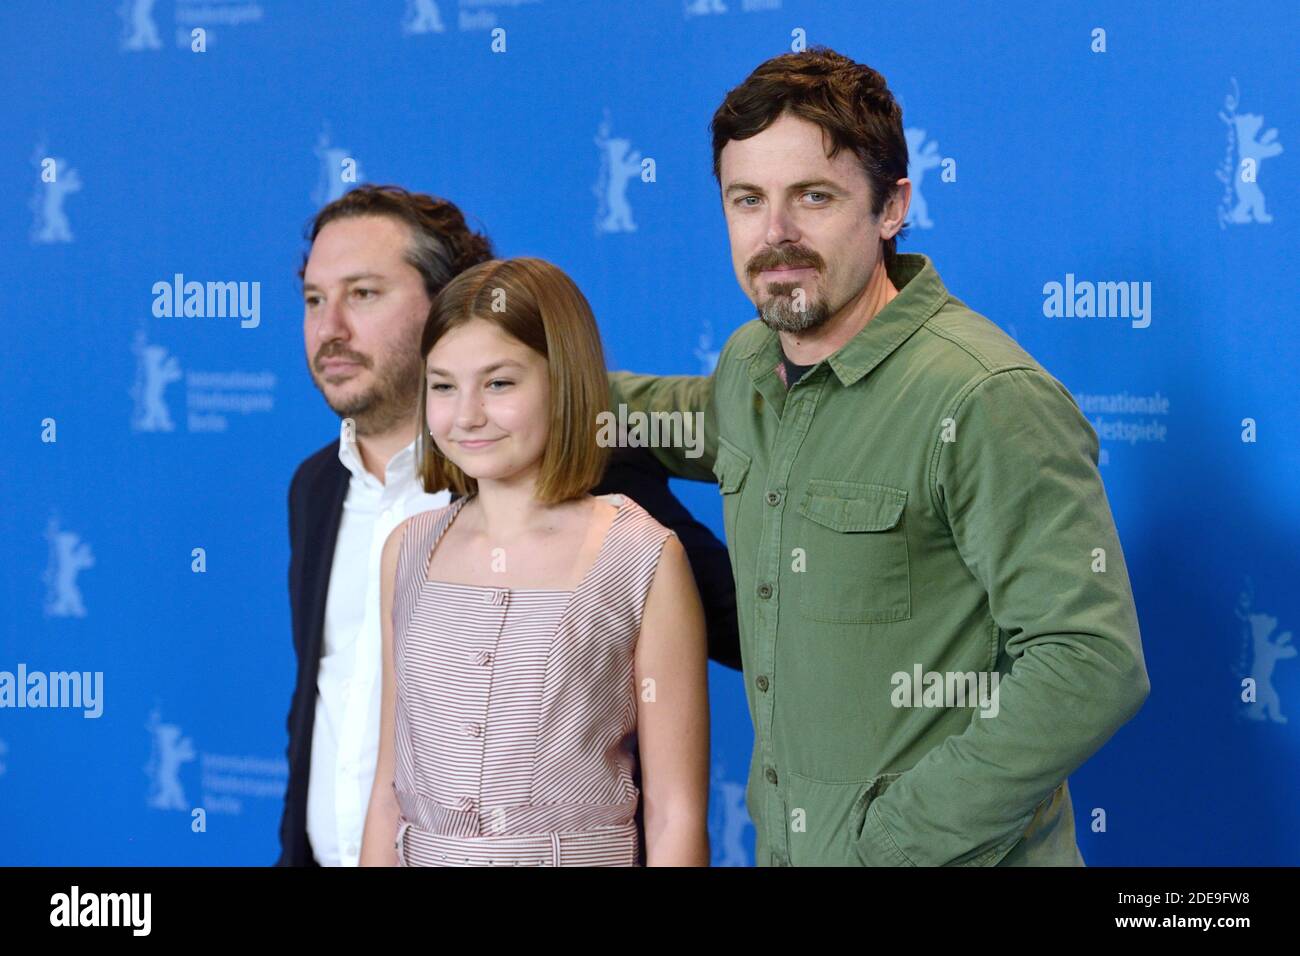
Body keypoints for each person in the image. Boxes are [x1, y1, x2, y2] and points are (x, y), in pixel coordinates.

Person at [608, 46, 1151, 866]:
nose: (774, 234)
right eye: (746, 200)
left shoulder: (983, 397)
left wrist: (892, 844)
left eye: (813, 197)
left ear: (892, 206)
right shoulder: (752, 366)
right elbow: (664, 419)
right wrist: (505, 390)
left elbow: (1092, 661)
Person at [281, 186, 736, 867]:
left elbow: (678, 806)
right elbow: (366, 750)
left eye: (364, 293)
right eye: (314, 299)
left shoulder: (631, 534)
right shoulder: (324, 494)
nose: (331, 326)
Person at [358, 257, 710, 866]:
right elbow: (388, 790)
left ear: (565, 380)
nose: (466, 414)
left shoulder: (642, 555)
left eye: (499, 383)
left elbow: (675, 814)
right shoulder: (408, 549)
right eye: (443, 385)